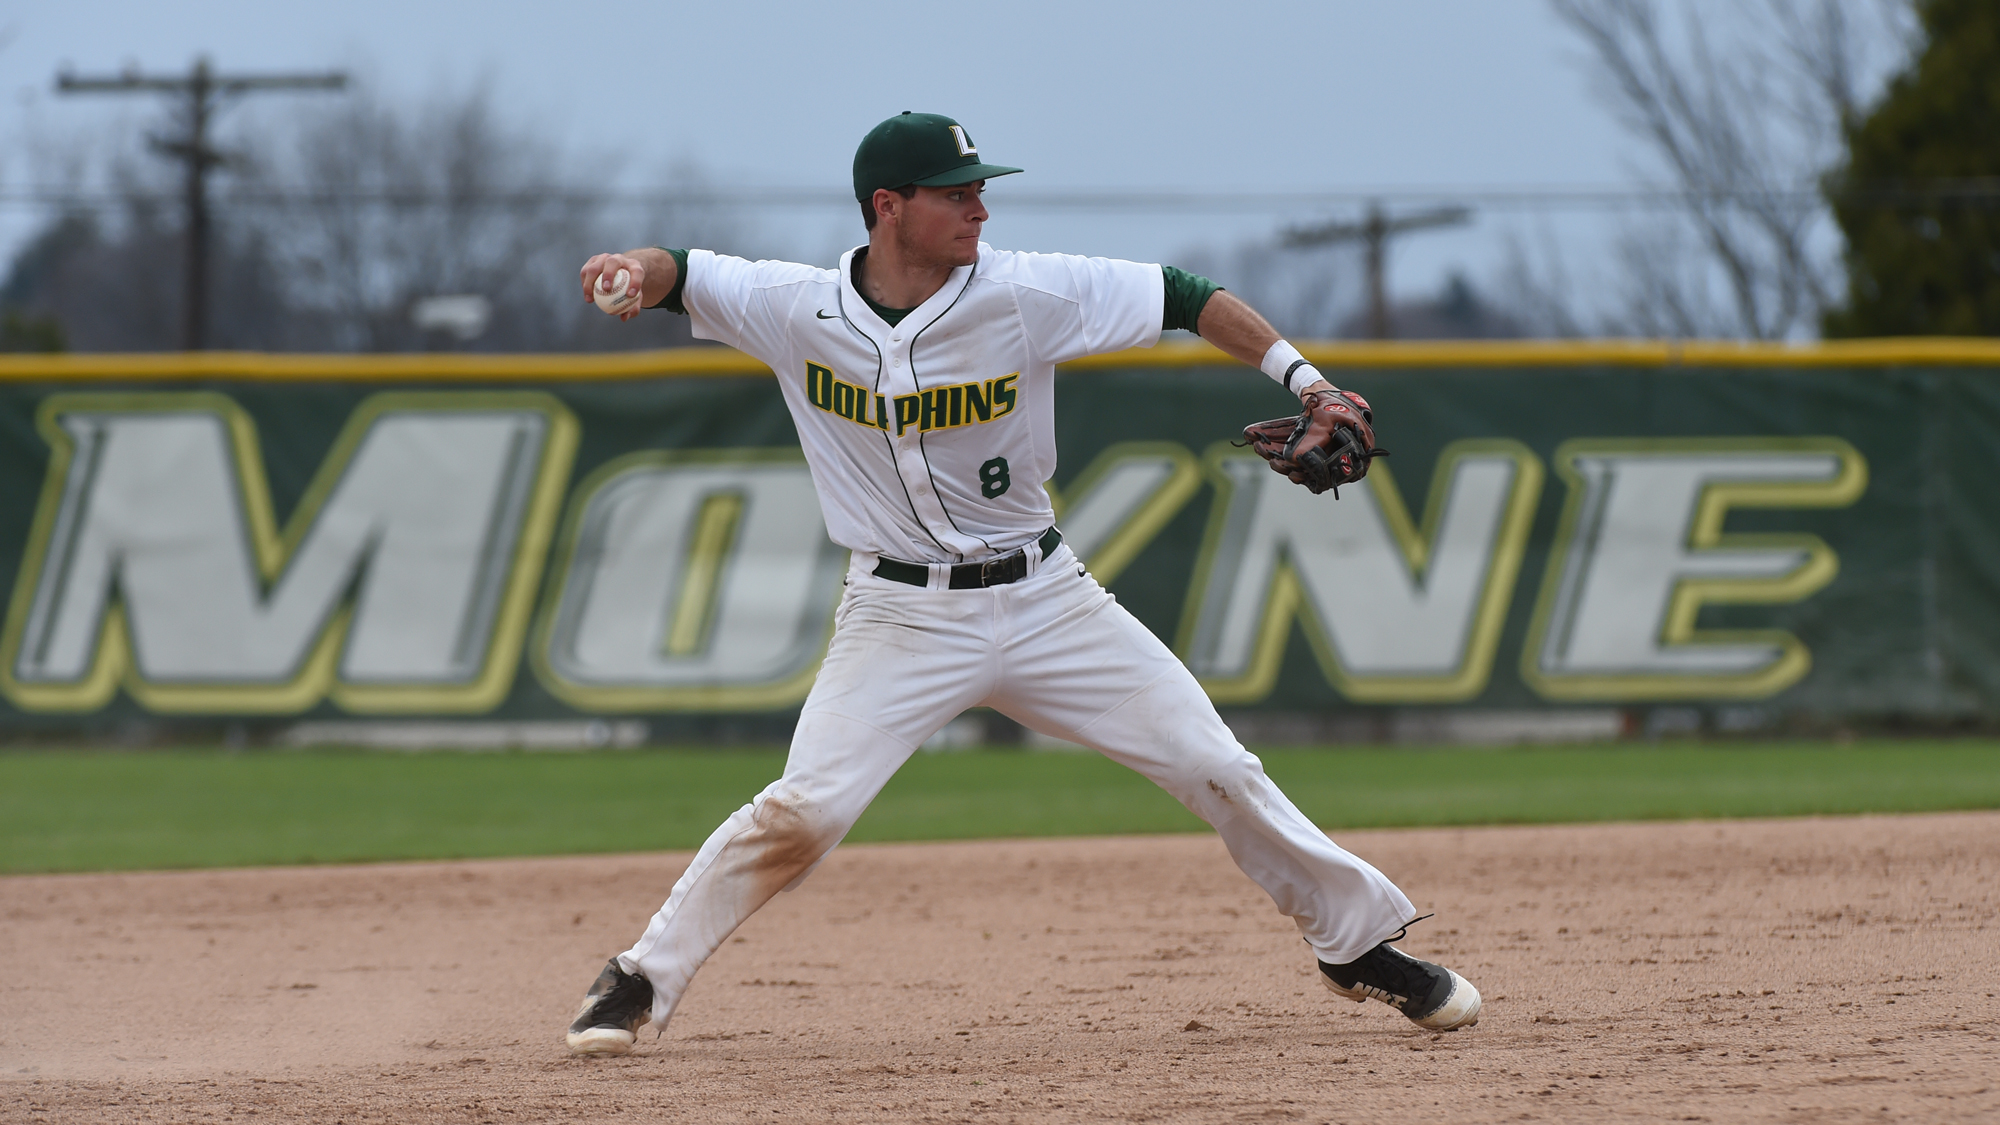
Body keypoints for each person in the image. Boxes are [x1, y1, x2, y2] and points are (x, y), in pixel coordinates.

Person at [564, 112, 1480, 1056]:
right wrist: (633, 269)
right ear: (890, 206)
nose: (979, 207)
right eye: (955, 193)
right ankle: (639, 978)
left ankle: (1355, 943)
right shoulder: (797, 306)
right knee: (806, 810)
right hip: (898, 613)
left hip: (1047, 602)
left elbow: (1185, 294)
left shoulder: (1024, 290)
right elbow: (684, 269)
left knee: (1220, 767)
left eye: (979, 188)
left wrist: (1309, 383)